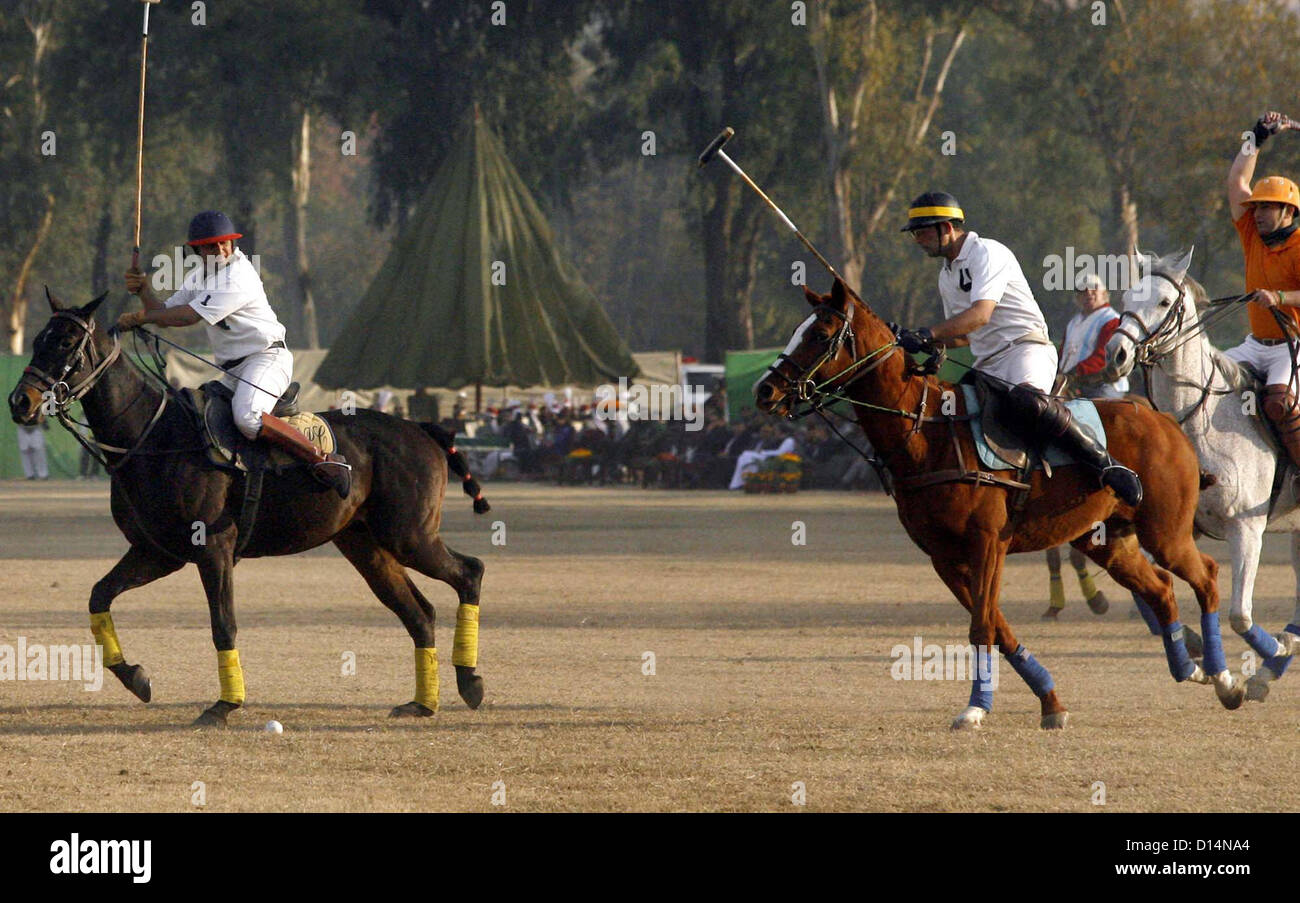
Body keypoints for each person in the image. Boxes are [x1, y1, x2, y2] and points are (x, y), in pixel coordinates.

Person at [894, 191, 1142, 506]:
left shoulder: (987, 253)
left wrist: (929, 333)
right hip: (987, 364)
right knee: (949, 410)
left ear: (947, 228)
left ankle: (1106, 466)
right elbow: (963, 335)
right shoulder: (946, 275)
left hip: (1026, 349)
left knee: (1030, 402)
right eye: (915, 233)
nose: (917, 239)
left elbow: (980, 315)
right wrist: (915, 340)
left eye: (923, 231)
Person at [118, 210, 350, 497]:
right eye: (211, 245)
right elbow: (164, 314)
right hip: (232, 372)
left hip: (266, 359)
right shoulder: (199, 275)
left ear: (232, 243)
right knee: (195, 413)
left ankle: (322, 459)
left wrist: (141, 318)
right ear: (197, 251)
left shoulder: (238, 275)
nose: (219, 249)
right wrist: (144, 290)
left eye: (224, 243)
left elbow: (188, 317)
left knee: (248, 418)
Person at [1223, 111, 1300, 477]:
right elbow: (1237, 179)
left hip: (1293, 345)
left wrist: (1280, 298)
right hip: (1256, 344)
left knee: (1278, 402)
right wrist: (1256, 135)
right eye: (1257, 207)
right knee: (1211, 380)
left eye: (1267, 207)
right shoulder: (1251, 233)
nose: (1258, 213)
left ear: (1289, 211)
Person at [1058, 273, 1129, 399]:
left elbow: (1104, 357)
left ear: (1104, 293)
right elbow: (1062, 353)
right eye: (1083, 290)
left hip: (1101, 386)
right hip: (1072, 384)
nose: (1088, 292)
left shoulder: (1111, 320)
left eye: (1093, 288)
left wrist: (1074, 373)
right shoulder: (1074, 322)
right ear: (1078, 297)